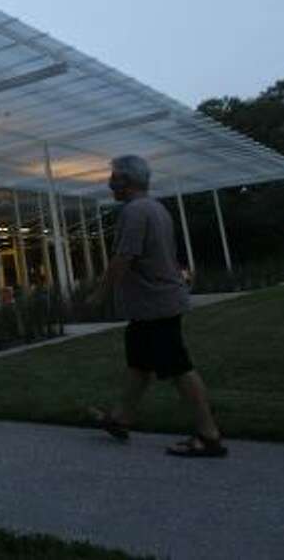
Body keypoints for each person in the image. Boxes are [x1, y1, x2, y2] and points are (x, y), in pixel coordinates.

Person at [86, 155, 227, 458]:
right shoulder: (157, 208)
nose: (110, 182)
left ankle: (208, 434)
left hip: (156, 305)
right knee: (139, 362)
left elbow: (124, 258)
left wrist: (100, 294)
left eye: (114, 177)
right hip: (153, 304)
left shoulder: (135, 212)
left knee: (178, 367)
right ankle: (121, 419)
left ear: (127, 180)